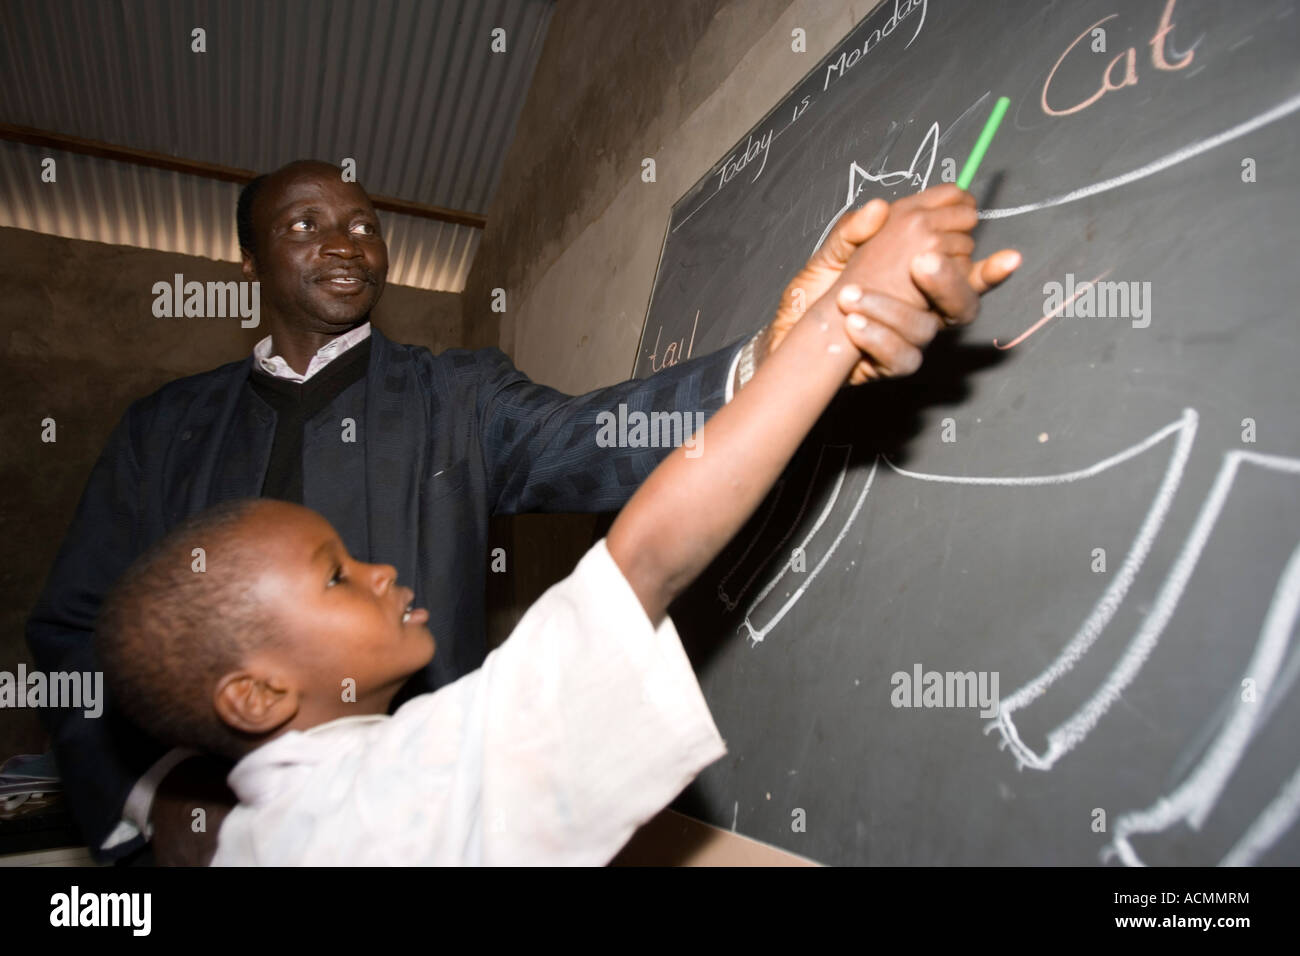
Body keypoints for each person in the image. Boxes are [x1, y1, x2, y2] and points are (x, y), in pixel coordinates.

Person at [26, 158, 1017, 864]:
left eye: (365, 221)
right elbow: (79, 627)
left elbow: (608, 448)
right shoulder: (164, 426)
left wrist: (776, 350)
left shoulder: (457, 394)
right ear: (249, 262)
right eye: (304, 225)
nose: (346, 241)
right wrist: (153, 800)